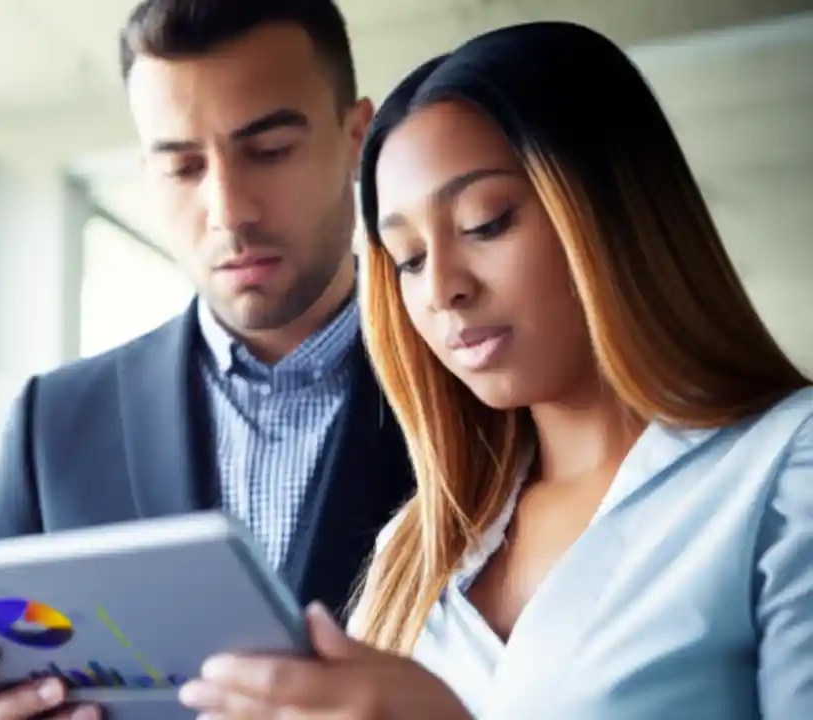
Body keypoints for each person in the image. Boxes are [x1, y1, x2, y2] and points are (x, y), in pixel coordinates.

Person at [176, 21, 813, 719]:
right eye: (409, 259)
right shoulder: (413, 549)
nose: (443, 287)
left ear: (610, 209)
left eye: (486, 223)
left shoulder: (786, 468)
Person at [0, 2, 414, 718]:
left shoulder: (480, 387)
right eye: (183, 166)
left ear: (356, 140)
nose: (228, 209)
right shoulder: (55, 424)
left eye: (270, 150)